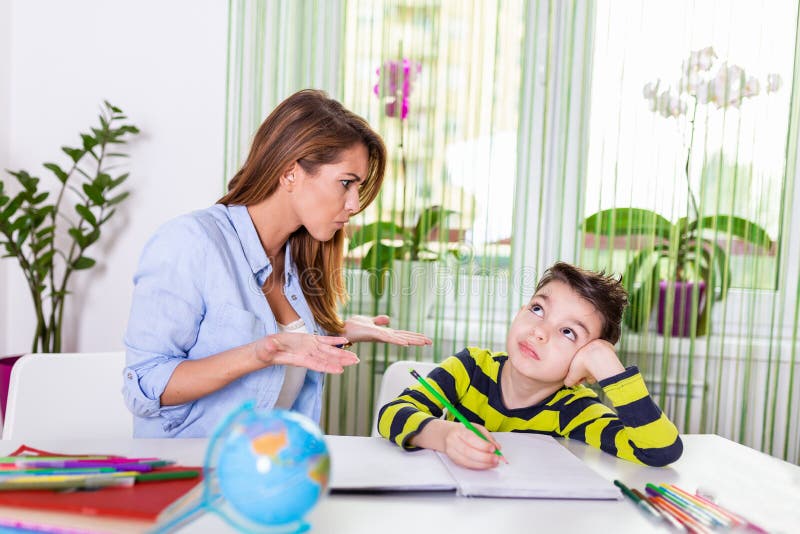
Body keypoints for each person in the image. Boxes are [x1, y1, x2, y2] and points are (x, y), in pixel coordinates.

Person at [123, 89, 431, 438]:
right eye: (346, 183)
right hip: (191, 474)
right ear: (289, 173)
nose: (355, 203)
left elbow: (284, 340)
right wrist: (260, 354)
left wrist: (335, 331)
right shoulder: (190, 242)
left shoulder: (298, 259)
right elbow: (145, 384)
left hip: (271, 473)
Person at [378, 261, 683, 469]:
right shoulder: (470, 368)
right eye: (538, 309)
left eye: (568, 332)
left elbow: (658, 450)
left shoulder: (574, 409)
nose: (540, 331)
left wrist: (608, 366)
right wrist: (444, 436)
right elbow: (392, 414)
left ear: (586, 363)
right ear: (521, 311)